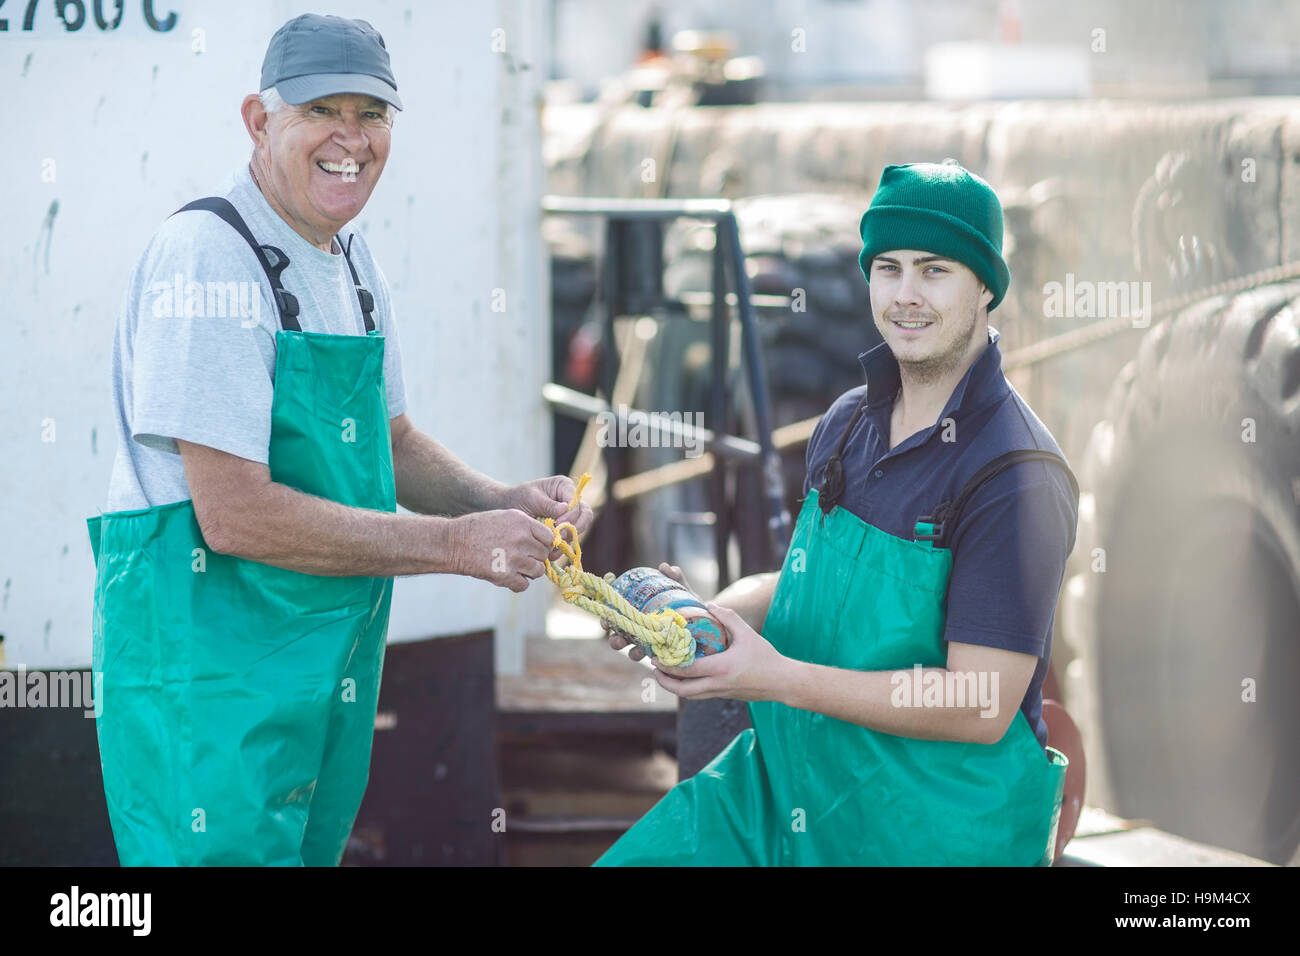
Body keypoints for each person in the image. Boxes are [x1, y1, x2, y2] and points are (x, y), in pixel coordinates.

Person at [87, 13, 592, 866]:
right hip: (209, 669)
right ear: (259, 120)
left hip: (319, 664)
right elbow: (234, 516)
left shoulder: (350, 262)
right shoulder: (207, 258)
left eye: (373, 114)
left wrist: (500, 500)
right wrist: (461, 544)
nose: (351, 140)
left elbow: (388, 442)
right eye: (323, 110)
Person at [601, 160, 1078, 866]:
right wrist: (701, 617)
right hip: (783, 792)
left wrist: (771, 677)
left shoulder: (1016, 474)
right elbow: (811, 585)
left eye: (934, 270)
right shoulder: (848, 422)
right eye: (887, 268)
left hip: (926, 832)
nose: (905, 296)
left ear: (985, 286)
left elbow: (980, 704)